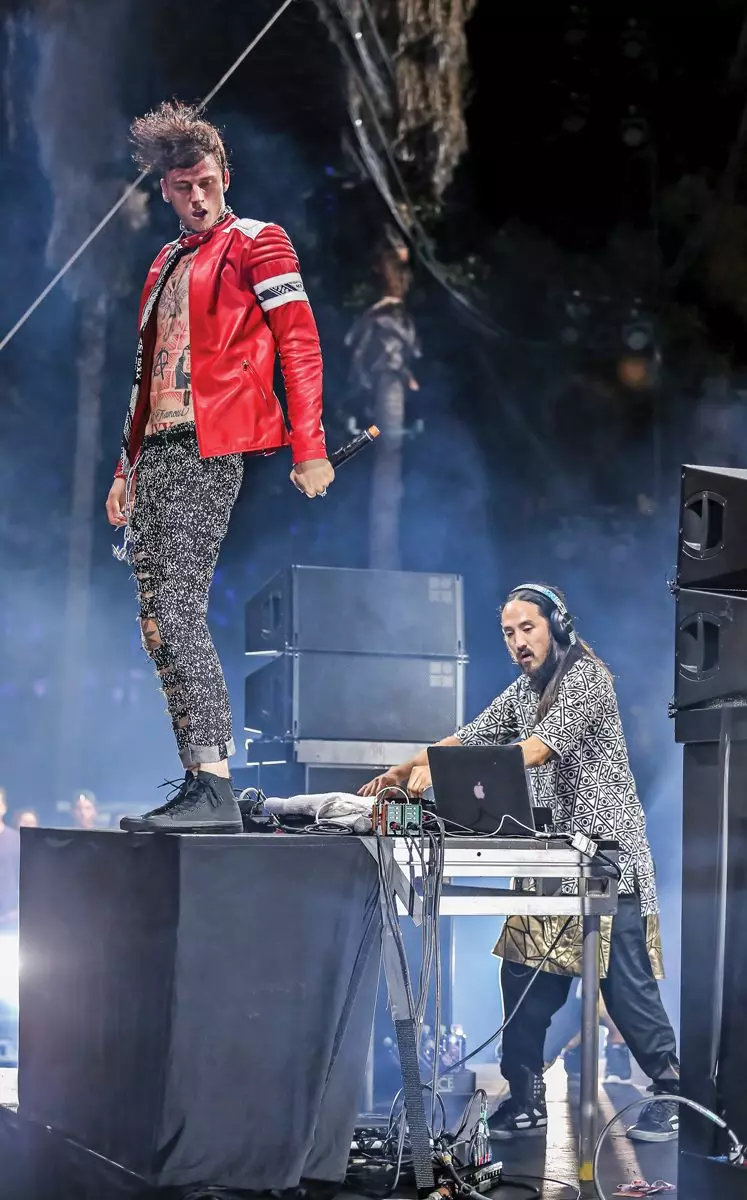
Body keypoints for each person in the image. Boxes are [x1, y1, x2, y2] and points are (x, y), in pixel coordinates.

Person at [360, 583, 679, 1143]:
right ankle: (526, 1101)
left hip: (608, 859)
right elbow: (468, 738)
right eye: (508, 633)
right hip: (554, 865)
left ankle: (676, 1094)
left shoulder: (586, 678)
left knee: (625, 990)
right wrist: (399, 772)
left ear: (556, 623)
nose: (518, 642)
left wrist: (442, 771)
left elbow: (537, 749)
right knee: (523, 982)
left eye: (527, 628)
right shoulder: (526, 690)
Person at [106, 102, 333, 834]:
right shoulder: (164, 260)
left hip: (211, 446)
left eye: (205, 181)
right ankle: (200, 777)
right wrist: (125, 466)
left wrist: (310, 445)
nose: (196, 197)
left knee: (177, 611)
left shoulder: (257, 242)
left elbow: (298, 342)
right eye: (181, 187)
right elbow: (146, 372)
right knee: (156, 622)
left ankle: (211, 782)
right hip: (159, 450)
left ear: (224, 177)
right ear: (164, 191)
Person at [0, 788, 20, 929]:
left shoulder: (16, 840)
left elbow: (27, 878)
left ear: (3, 807)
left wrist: (18, 910)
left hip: (9, 922)